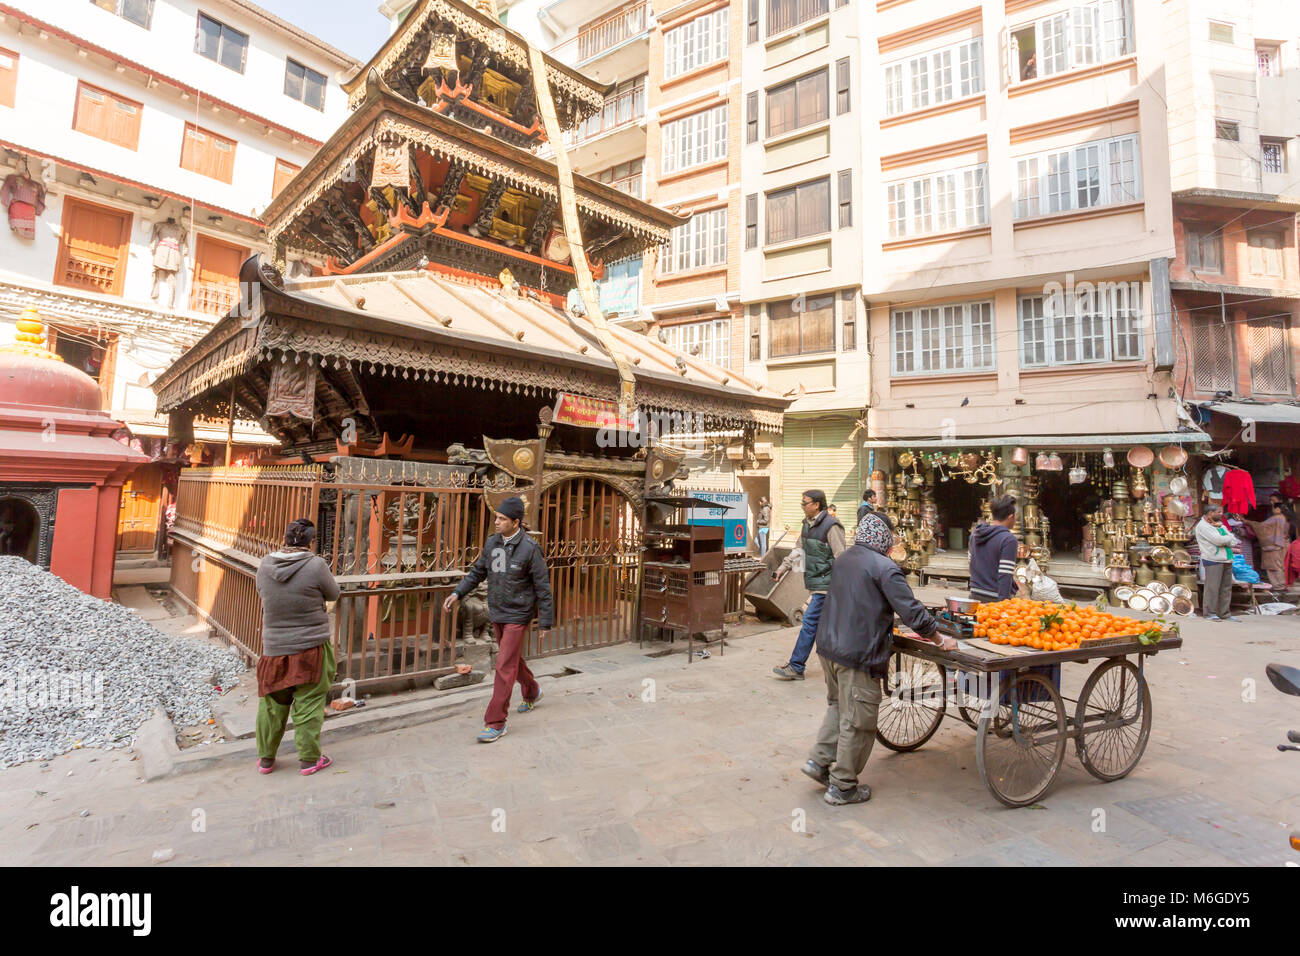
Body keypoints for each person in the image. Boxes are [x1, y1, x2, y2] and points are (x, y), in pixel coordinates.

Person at [803, 513, 957, 805]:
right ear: (885, 536)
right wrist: (939, 639)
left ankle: (818, 762)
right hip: (856, 653)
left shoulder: (847, 558)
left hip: (828, 647)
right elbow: (913, 613)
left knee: (839, 706)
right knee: (858, 720)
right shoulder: (885, 568)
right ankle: (843, 786)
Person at [444, 496, 554, 742]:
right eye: (497, 517)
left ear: (515, 522)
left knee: (503, 664)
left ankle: (495, 721)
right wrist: (457, 592)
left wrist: (545, 621)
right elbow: (478, 572)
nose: (496, 522)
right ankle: (533, 691)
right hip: (497, 610)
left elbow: (543, 587)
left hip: (518, 613)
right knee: (512, 658)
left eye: (502, 519)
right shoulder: (493, 543)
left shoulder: (530, 548)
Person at [254, 518, 340, 776]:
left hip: (274, 648)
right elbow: (334, 593)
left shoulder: (265, 565)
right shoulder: (316, 565)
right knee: (310, 702)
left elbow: (263, 593)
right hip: (311, 647)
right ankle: (309, 760)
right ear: (311, 542)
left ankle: (266, 759)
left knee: (272, 704)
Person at [771, 490, 845, 681]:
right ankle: (843, 663)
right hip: (816, 582)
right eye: (802, 503)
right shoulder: (807, 525)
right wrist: (782, 568)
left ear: (817, 505)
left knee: (810, 623)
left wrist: (840, 587)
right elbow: (798, 551)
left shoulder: (832, 526)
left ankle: (796, 666)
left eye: (805, 503)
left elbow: (841, 558)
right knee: (828, 626)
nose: (802, 506)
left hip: (827, 586)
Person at [969, 495, 1021, 602]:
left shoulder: (975, 535)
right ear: (1010, 517)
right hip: (994, 599)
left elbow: (971, 565)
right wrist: (1004, 603)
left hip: (974, 596)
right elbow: (1005, 574)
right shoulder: (1008, 540)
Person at [1195, 505, 1240, 622]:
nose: (1221, 514)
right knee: (1212, 588)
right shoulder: (1203, 526)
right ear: (1210, 513)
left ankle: (1224, 613)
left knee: (1226, 588)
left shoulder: (1220, 525)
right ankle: (1210, 613)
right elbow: (1218, 541)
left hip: (1226, 559)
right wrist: (1227, 538)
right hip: (1213, 559)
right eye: (1219, 512)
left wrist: (1226, 539)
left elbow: (1234, 541)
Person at [1248, 503, 1290, 588]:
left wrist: (1248, 522)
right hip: (1282, 544)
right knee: (1280, 565)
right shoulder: (1284, 518)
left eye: (1273, 508)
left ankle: (1278, 585)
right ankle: (1281, 584)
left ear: (1278, 509)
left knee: (1274, 567)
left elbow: (1261, 526)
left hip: (1273, 546)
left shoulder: (1276, 518)